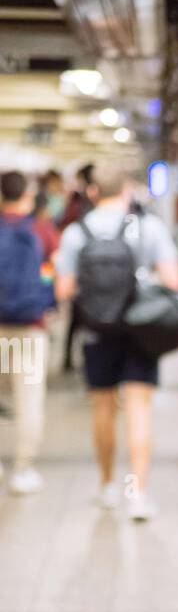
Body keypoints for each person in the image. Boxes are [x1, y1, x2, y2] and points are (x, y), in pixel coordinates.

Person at [53, 163, 178, 521]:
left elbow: (63, 289)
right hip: (140, 331)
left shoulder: (76, 232)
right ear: (126, 191)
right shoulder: (148, 226)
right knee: (139, 410)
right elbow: (174, 281)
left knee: (103, 409)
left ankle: (108, 486)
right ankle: (138, 493)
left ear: (92, 192)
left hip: (98, 332)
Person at [0, 170, 50, 494]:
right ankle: (22, 469)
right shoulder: (42, 233)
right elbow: (53, 277)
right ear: (27, 196)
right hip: (30, 330)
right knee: (28, 400)